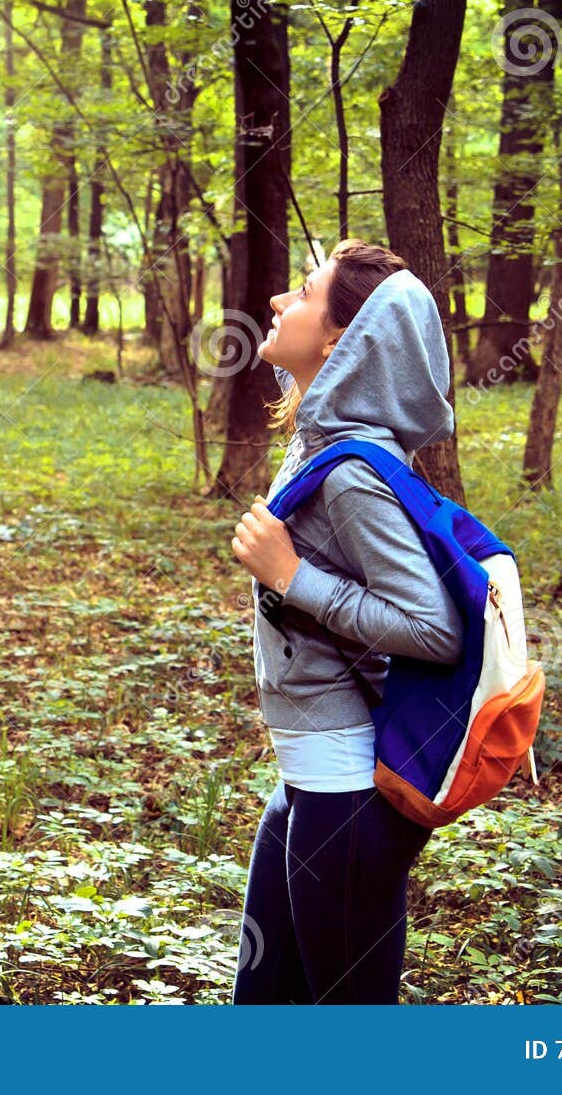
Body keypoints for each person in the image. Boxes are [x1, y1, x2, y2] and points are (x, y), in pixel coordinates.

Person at [228, 239, 463, 1004]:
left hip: (346, 799)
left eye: (300, 293)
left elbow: (435, 628)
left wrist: (293, 577)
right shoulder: (316, 444)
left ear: (340, 339)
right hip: (305, 785)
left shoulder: (355, 471)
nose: (276, 303)